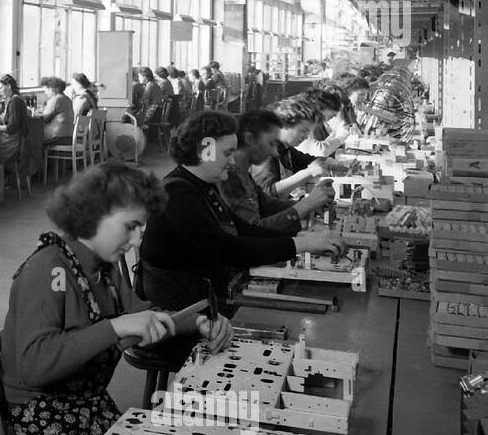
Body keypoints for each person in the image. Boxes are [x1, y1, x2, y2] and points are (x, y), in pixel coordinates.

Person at [1, 162, 233, 435]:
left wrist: (198, 324)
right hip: (42, 418)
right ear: (93, 215)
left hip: (87, 409)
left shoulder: (102, 269)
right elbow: (33, 366)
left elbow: (146, 318)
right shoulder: (48, 269)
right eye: (130, 226)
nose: (138, 240)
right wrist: (116, 327)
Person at [139, 111, 343, 314]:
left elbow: (241, 228)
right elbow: (227, 249)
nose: (232, 160)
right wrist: (301, 244)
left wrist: (301, 237)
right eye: (227, 153)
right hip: (178, 309)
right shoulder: (178, 194)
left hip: (204, 290)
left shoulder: (203, 185)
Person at [221, 109, 335, 234]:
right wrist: (306, 205)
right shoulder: (228, 178)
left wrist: (310, 207)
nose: (275, 152)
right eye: (271, 143)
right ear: (250, 139)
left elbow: (267, 205)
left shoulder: (242, 172)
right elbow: (255, 230)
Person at [252, 97, 329, 198]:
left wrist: (334, 164)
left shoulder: (284, 147)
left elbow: (308, 161)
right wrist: (309, 172)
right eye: (303, 131)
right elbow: (268, 193)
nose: (306, 137)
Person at [0, 73, 30, 167]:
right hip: (13, 140)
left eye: (1, 88)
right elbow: (5, 120)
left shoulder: (15, 101)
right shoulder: (12, 99)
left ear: (9, 86)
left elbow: (11, 128)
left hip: (13, 144)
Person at [39, 76, 75, 145]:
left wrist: (33, 114)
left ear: (51, 89)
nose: (45, 93)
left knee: (33, 138)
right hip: (69, 135)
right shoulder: (67, 99)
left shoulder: (56, 99)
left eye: (45, 90)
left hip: (57, 136)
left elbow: (44, 118)